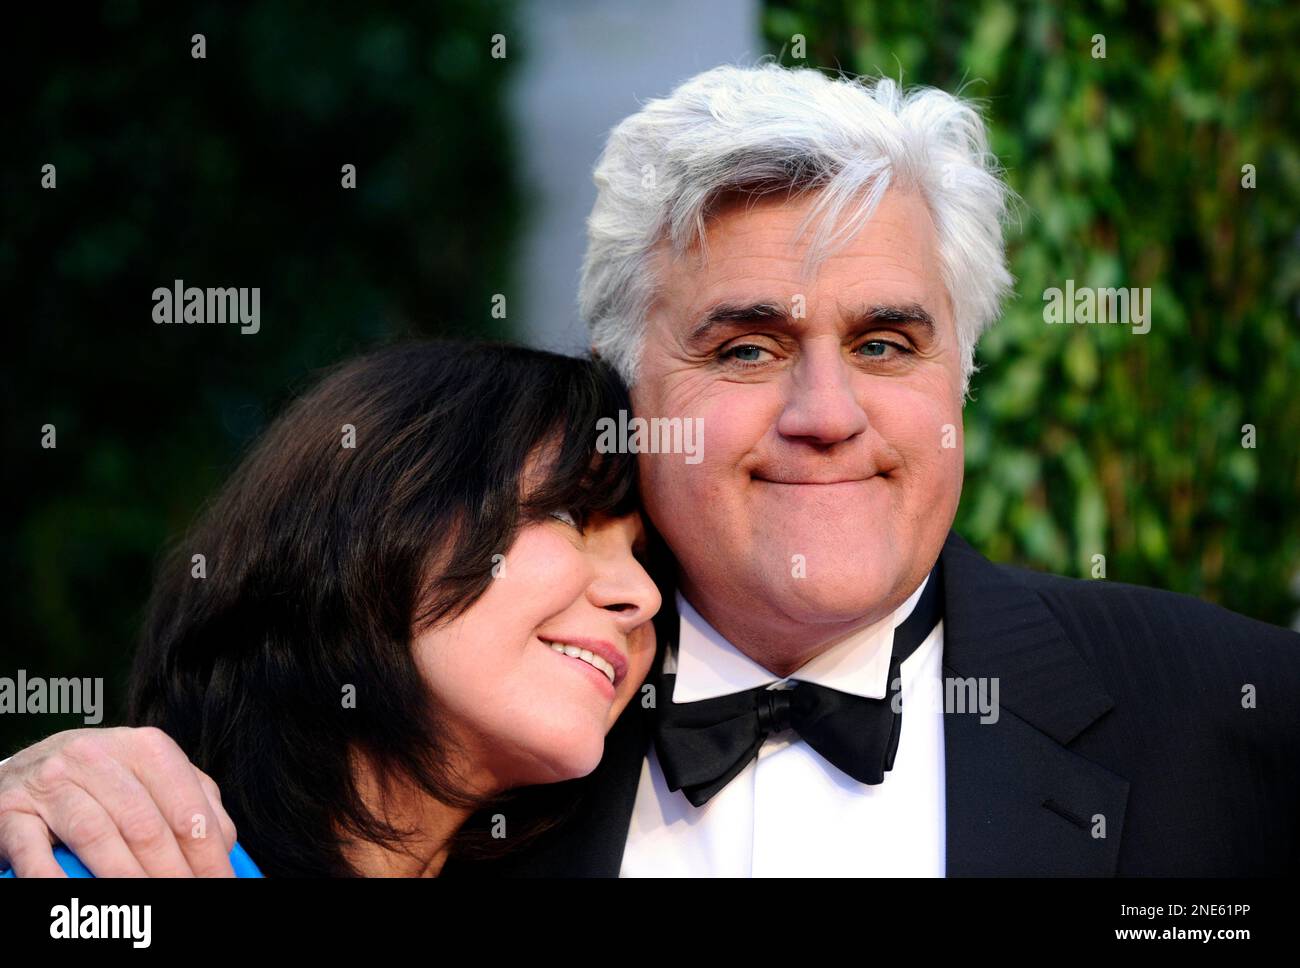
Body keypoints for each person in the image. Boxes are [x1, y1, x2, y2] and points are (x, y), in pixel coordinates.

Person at [3, 63, 1298, 876]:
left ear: (961, 381)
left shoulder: (1239, 720)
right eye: (746, 346)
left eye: (888, 341)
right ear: (627, 393)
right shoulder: (490, 722)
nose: (826, 413)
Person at [0, 341, 660, 877]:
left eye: (644, 556)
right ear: (380, 516)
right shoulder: (106, 874)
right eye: (572, 512)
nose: (644, 596)